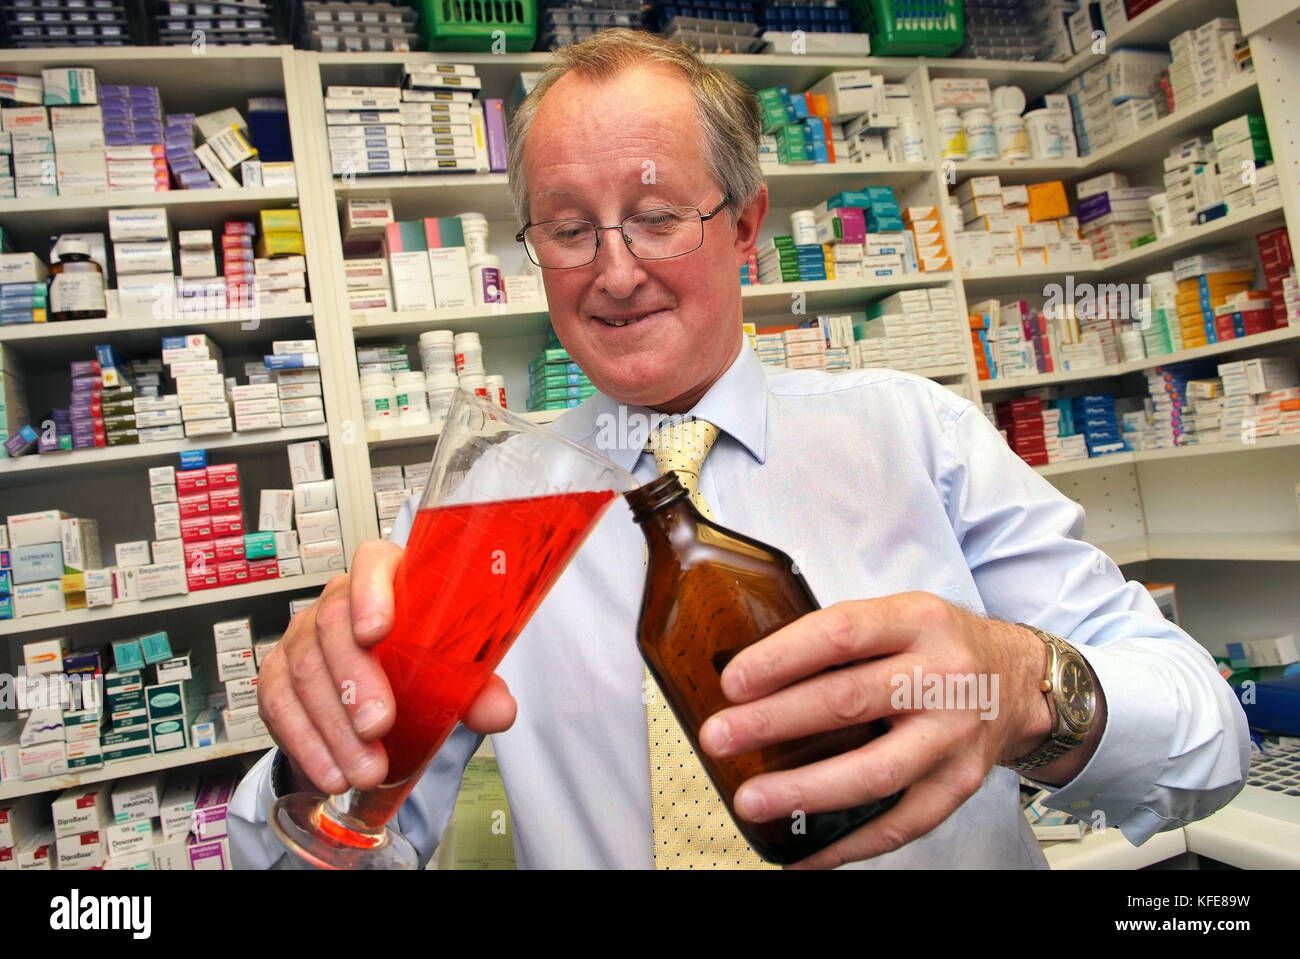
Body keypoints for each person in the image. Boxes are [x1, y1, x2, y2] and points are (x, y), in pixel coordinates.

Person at [229, 29, 1250, 869]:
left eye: (657, 217)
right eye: (569, 229)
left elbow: (1209, 734)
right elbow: (319, 849)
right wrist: (312, 762)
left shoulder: (914, 435)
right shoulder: (489, 512)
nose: (613, 272)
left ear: (747, 221)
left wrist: (1023, 684)